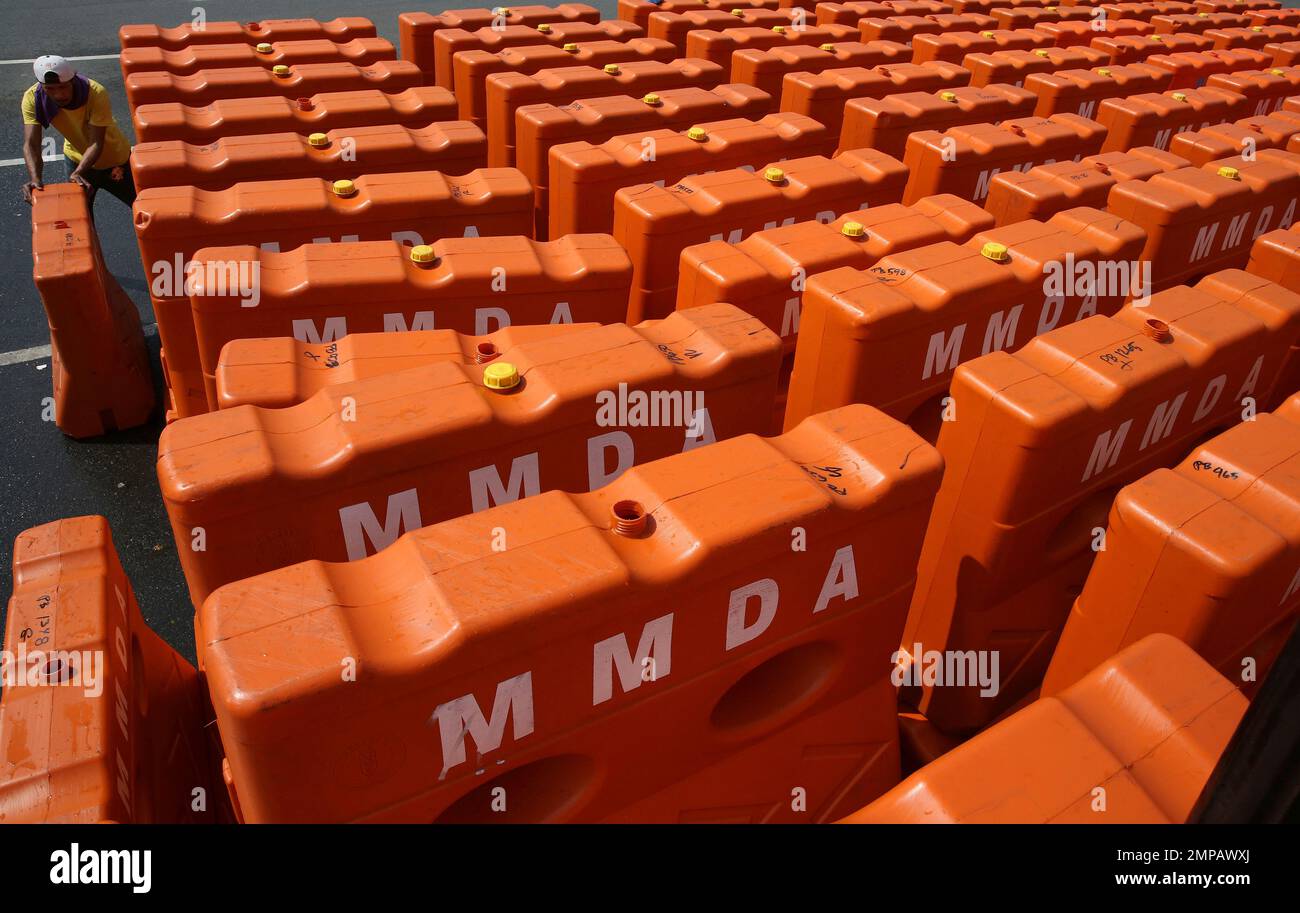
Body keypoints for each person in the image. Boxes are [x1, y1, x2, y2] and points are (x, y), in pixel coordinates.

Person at [21, 55, 135, 206]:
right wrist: (35, 179)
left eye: (63, 87)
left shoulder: (95, 92)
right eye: (50, 89)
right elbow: (31, 144)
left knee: (143, 210)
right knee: (79, 219)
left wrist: (79, 173)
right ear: (41, 86)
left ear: (73, 81)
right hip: (75, 159)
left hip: (114, 159)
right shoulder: (32, 99)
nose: (58, 95)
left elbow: (96, 142)